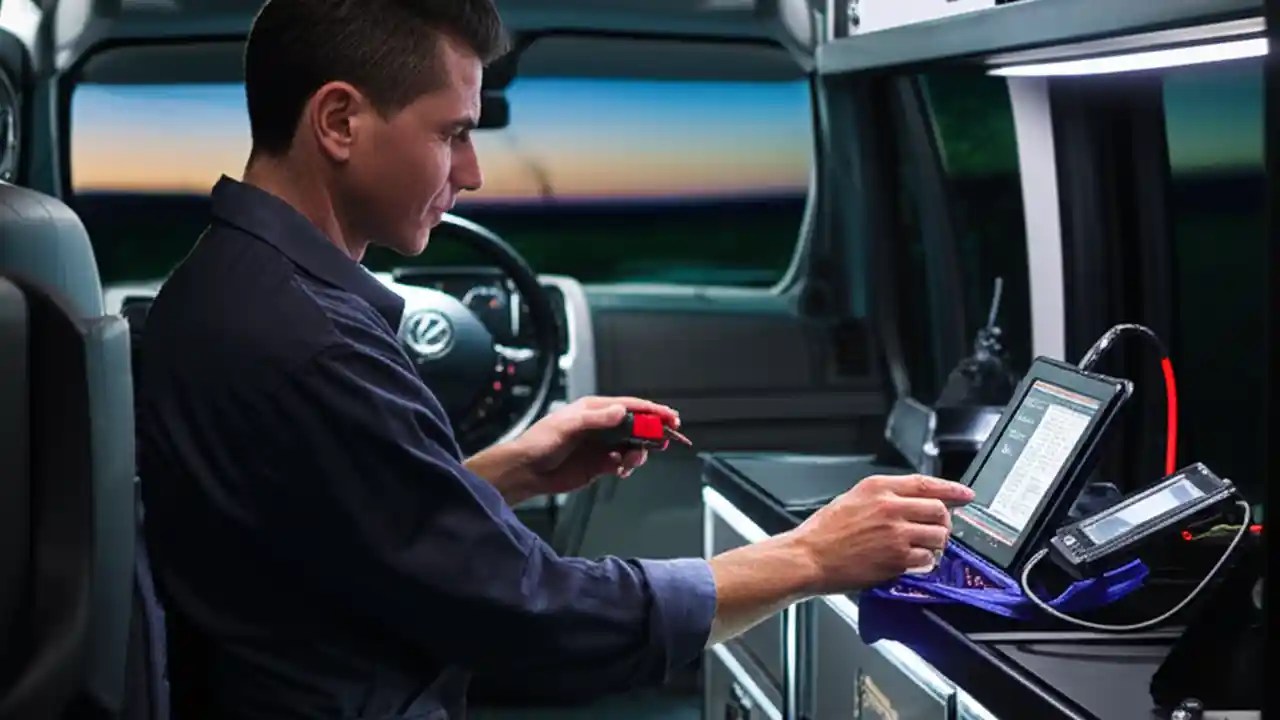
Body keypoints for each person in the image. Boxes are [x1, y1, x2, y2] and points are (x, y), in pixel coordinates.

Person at [135, 0, 975, 718]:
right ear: (340, 121)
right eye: (452, 132)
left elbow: (335, 525)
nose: (471, 171)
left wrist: (512, 470)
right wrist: (810, 557)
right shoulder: (307, 342)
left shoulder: (228, 285)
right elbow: (524, 612)